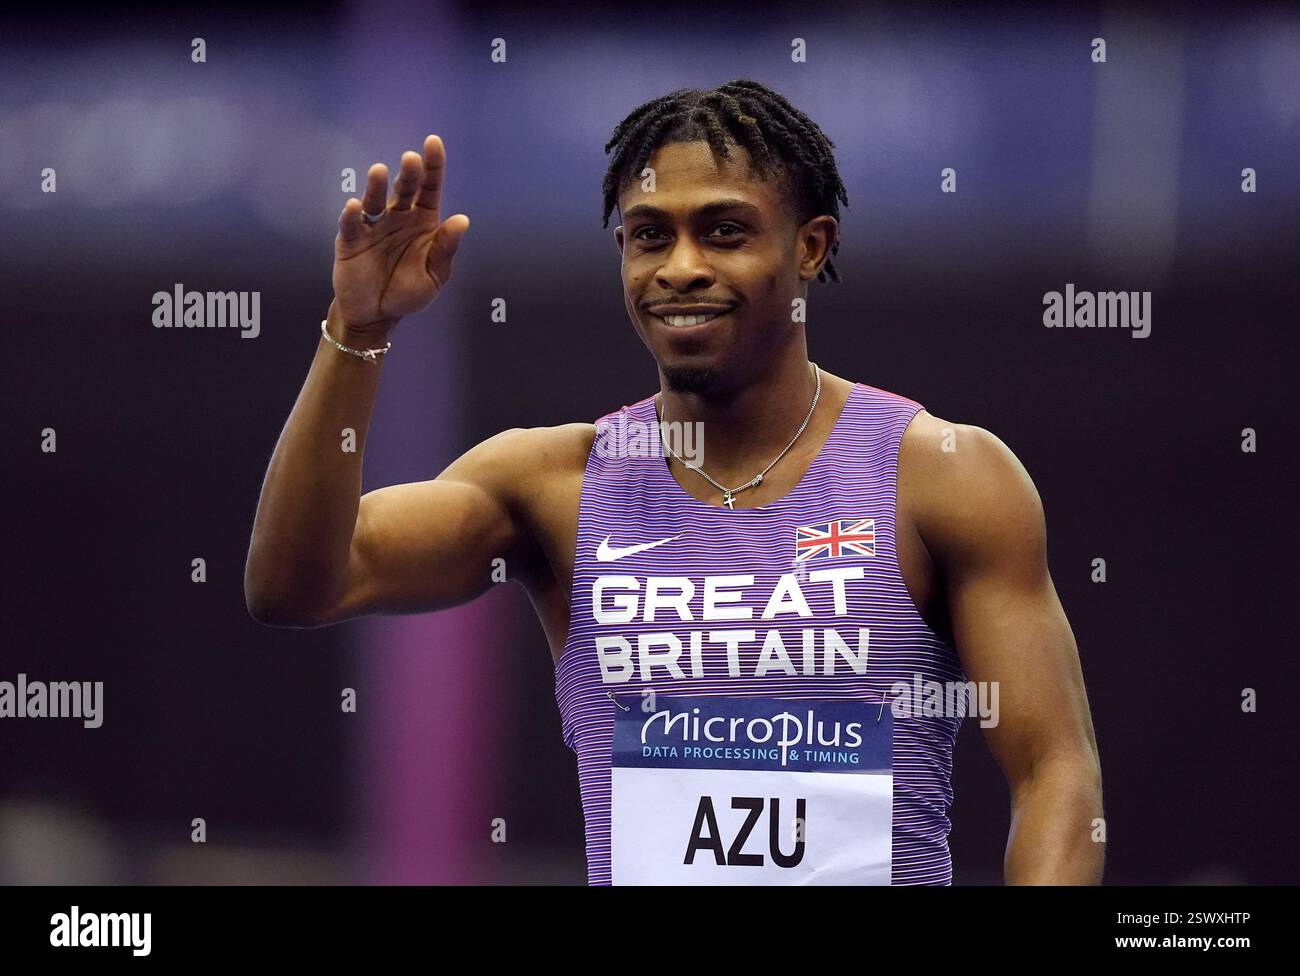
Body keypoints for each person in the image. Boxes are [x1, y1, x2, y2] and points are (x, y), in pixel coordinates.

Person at [245, 79, 1103, 885]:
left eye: (724, 231)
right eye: (649, 234)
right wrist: (358, 327)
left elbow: (1054, 771)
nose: (680, 267)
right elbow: (297, 584)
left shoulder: (943, 477)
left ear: (810, 246)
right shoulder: (550, 484)